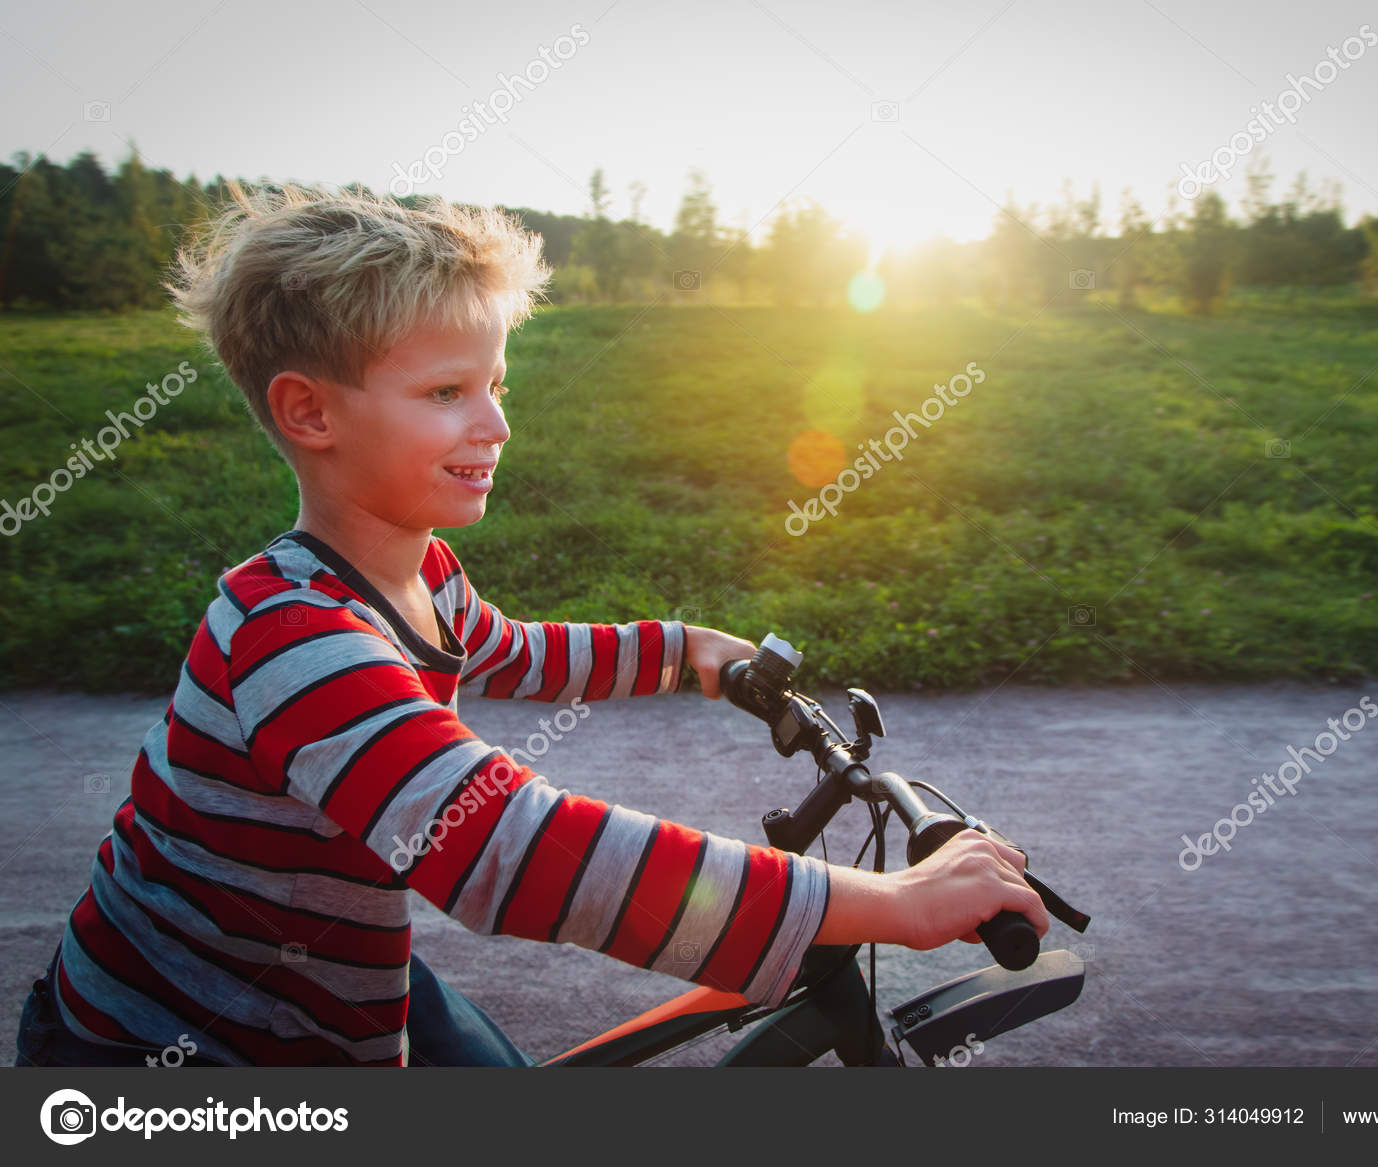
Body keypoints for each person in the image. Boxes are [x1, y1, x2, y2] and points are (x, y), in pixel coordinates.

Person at [14, 182, 1046, 1067]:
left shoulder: (422, 575)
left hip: (336, 985)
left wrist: (684, 652)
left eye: (496, 384)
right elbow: (512, 848)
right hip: (175, 1036)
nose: (497, 424)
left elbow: (513, 649)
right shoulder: (291, 638)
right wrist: (885, 903)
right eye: (447, 391)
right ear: (310, 413)